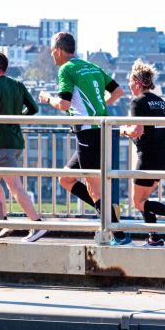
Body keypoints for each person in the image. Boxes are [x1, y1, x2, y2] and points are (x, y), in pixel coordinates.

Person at [37, 32, 124, 225]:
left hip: (87, 132)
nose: (52, 55)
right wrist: (99, 107)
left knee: (94, 187)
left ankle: (117, 232)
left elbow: (64, 104)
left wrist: (46, 98)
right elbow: (119, 91)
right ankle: (107, 211)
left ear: (59, 50)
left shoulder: (66, 69)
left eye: (52, 51)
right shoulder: (92, 66)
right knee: (65, 179)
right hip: (102, 129)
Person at [113, 60, 165, 247]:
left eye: (130, 81)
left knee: (137, 201)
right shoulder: (162, 103)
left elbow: (137, 131)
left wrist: (123, 130)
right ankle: (154, 238)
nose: (129, 85)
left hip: (148, 155)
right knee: (144, 199)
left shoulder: (137, 102)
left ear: (138, 82)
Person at [0, 52, 47, 243]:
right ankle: (3, 221)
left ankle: (37, 224)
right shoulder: (17, 84)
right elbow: (33, 108)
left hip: (4, 142)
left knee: (14, 186)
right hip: (16, 141)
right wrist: (16, 119)